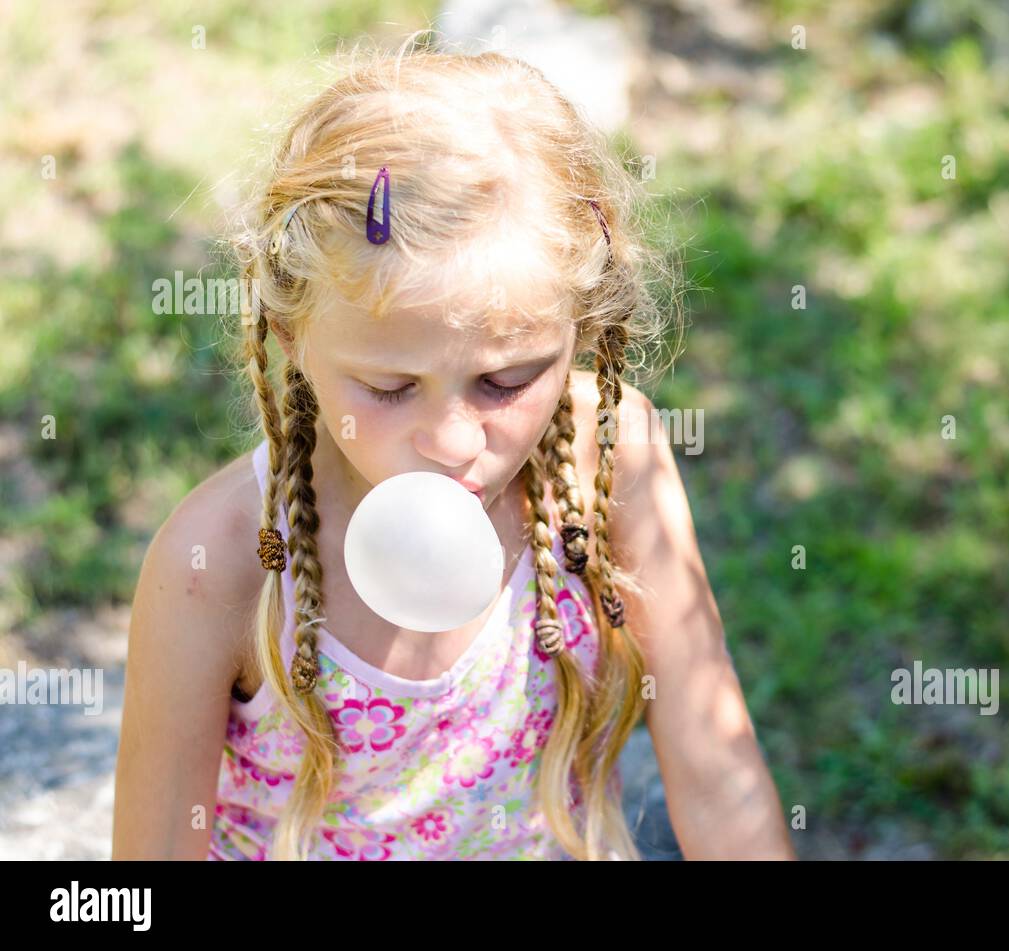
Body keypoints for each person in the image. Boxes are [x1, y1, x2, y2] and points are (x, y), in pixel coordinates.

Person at [112, 33, 795, 861]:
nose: (452, 441)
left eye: (506, 381)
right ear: (292, 335)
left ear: (581, 328)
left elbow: (716, 771)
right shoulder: (218, 560)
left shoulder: (610, 461)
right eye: (392, 389)